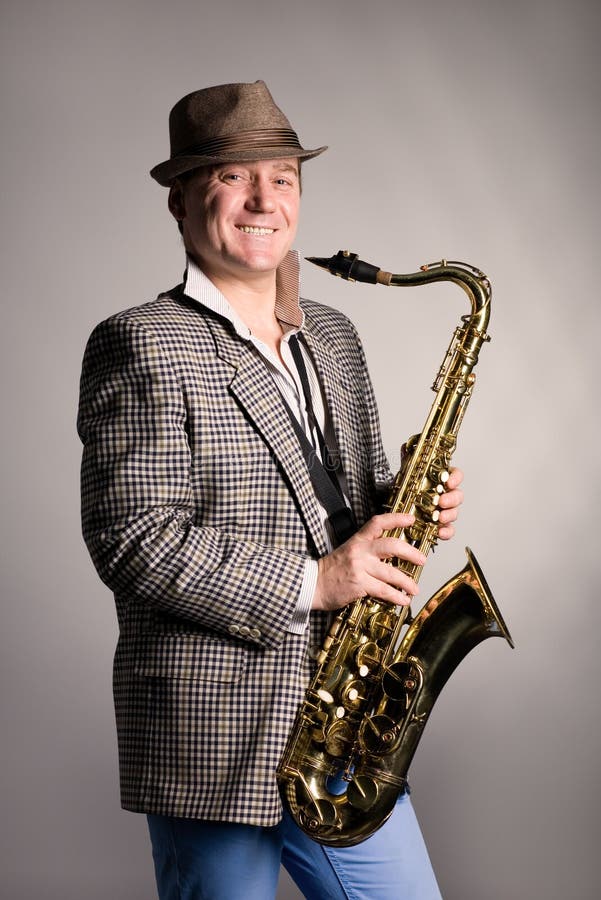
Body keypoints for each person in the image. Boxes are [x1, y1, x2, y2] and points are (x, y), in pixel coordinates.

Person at [78, 80, 464, 900]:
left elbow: (348, 503)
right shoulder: (140, 341)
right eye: (233, 176)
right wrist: (316, 581)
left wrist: (410, 501)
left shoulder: (333, 333)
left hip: (344, 718)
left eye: (282, 178)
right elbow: (132, 539)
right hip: (215, 731)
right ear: (180, 200)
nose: (263, 200)